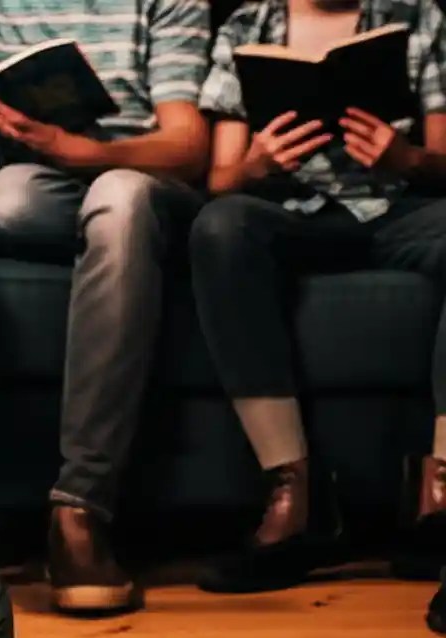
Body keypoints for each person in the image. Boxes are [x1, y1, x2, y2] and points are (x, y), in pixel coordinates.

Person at [0, 0, 213, 614]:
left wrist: (78, 150)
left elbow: (188, 146)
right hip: (38, 188)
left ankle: (80, 509)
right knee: (6, 199)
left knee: (117, 198)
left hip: (140, 178)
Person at [190, 0, 446, 592]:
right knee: (222, 226)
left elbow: (440, 158)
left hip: (396, 210)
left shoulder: (417, 15)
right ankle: (291, 494)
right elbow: (221, 180)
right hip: (291, 214)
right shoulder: (247, 28)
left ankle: (441, 492)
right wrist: (258, 164)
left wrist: (404, 158)